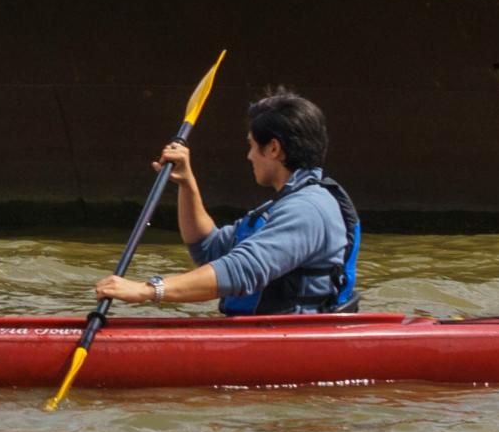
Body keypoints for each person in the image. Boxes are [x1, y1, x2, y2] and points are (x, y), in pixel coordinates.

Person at [91, 87, 360, 315]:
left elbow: (242, 270)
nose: (249, 156)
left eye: (252, 145)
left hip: (288, 339)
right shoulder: (286, 204)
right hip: (262, 333)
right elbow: (210, 249)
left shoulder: (307, 210)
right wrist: (187, 183)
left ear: (274, 148)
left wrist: (148, 289)